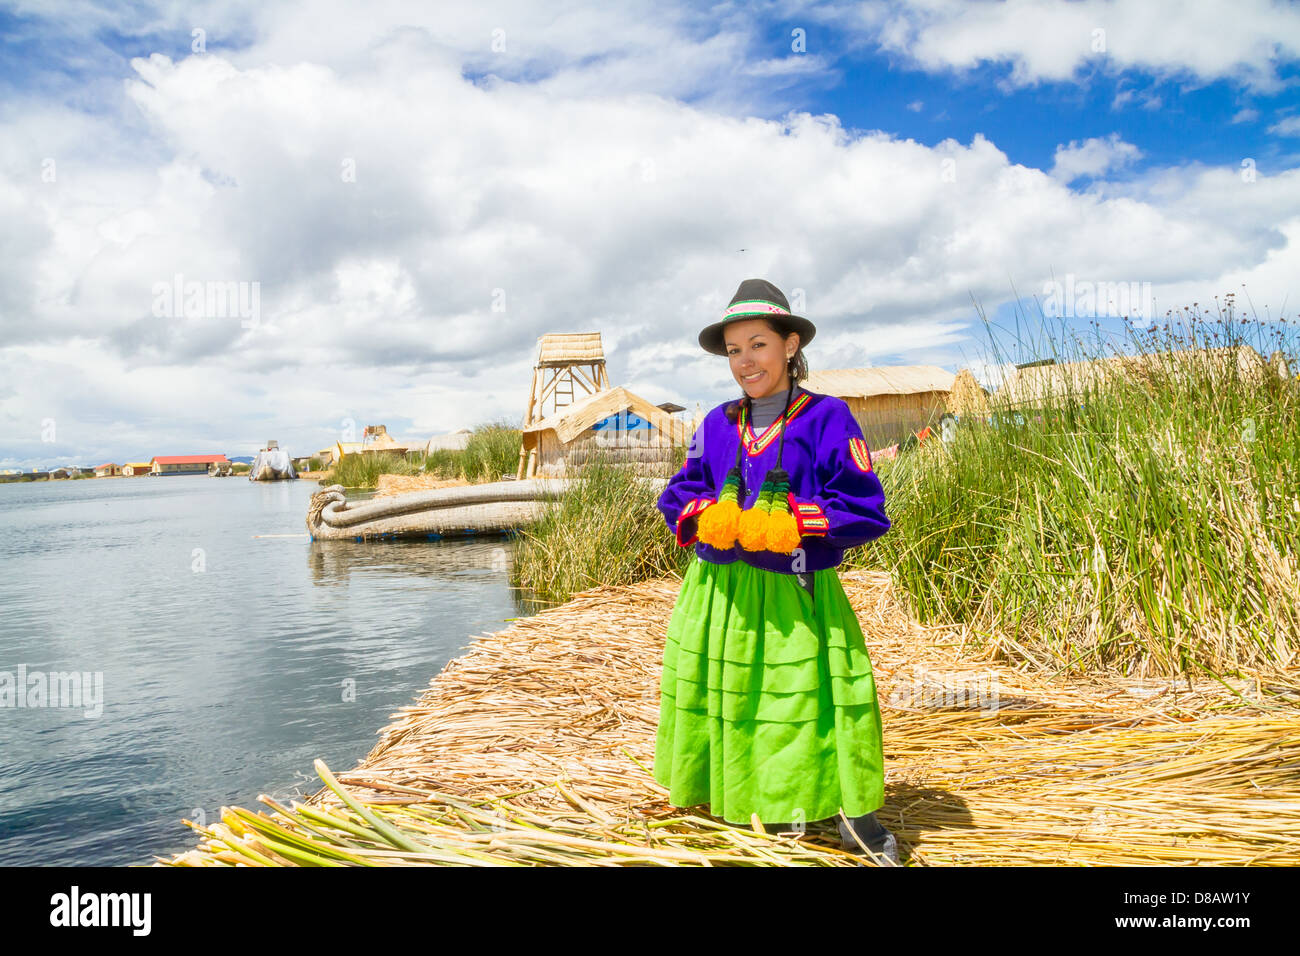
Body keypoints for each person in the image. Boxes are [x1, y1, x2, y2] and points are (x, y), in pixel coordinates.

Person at [654, 278, 900, 866]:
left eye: (758, 345)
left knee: (810, 704)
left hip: (796, 588)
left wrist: (796, 522)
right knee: (738, 701)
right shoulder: (716, 423)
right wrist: (705, 518)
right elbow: (678, 493)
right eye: (734, 350)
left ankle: (856, 822)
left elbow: (865, 509)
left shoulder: (827, 418)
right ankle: (765, 802)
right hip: (719, 592)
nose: (745, 361)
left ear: (790, 346)